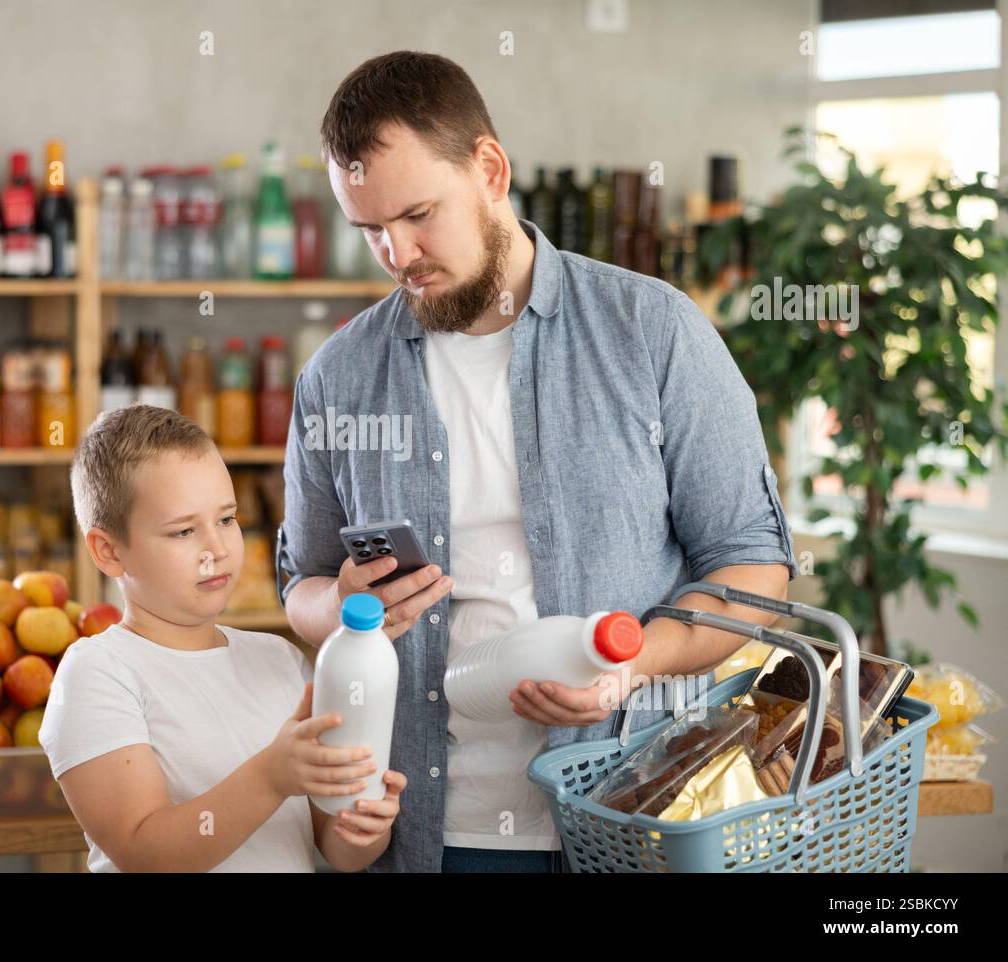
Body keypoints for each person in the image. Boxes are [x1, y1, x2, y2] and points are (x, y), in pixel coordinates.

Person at [279, 51, 798, 873]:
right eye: (370, 229)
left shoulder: (653, 332)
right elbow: (299, 588)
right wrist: (342, 602)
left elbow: (752, 567)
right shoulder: (338, 377)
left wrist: (632, 664)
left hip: (630, 813)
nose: (397, 251)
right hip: (424, 834)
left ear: (489, 168)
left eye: (418, 213)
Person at [41, 404, 406, 871]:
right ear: (109, 551)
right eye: (183, 531)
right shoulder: (98, 673)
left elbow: (338, 850)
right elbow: (145, 852)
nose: (216, 549)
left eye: (227, 519)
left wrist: (363, 825)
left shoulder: (281, 660)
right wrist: (272, 778)